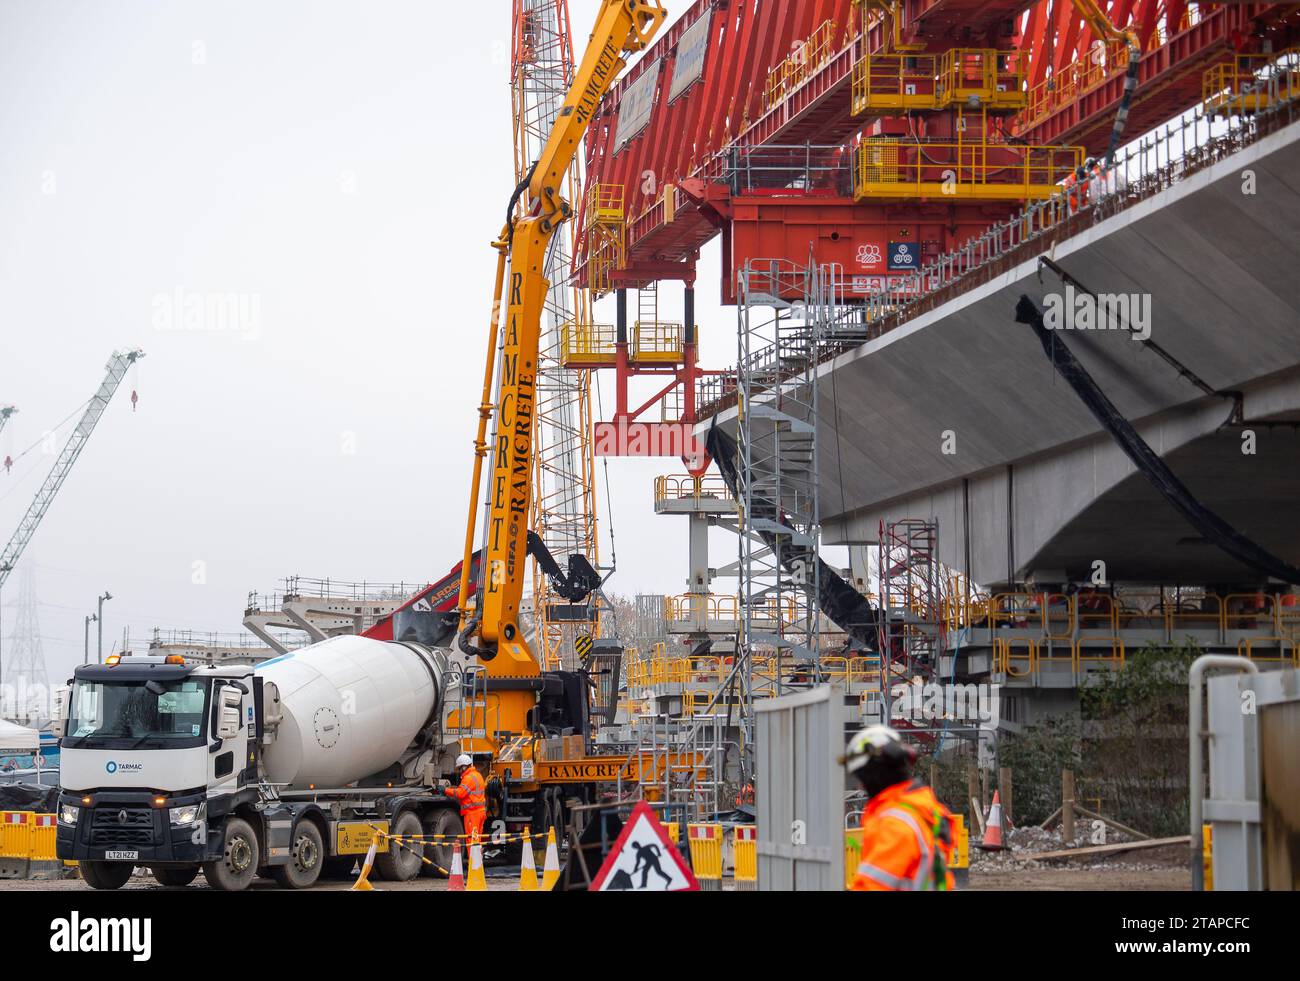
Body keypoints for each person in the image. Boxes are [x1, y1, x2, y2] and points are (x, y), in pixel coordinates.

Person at [842, 725, 955, 891]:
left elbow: (872, 886)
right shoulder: (921, 809)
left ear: (875, 774)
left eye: (862, 777)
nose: (861, 785)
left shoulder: (895, 823)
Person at [443, 753, 487, 844]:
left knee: (471, 840)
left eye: (459, 768)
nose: (459, 771)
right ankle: (478, 858)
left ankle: (472, 858)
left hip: (472, 813)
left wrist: (445, 790)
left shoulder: (468, 778)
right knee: (477, 840)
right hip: (480, 812)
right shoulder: (478, 775)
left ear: (463, 767)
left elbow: (460, 793)